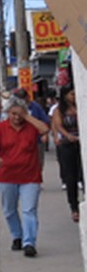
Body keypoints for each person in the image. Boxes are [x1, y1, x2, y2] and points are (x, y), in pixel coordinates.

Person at [0, 97, 50, 257]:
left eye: (19, 114)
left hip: (30, 175)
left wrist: (27, 116)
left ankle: (29, 243)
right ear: (7, 113)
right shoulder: (0, 128)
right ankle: (17, 236)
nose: (16, 117)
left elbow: (44, 129)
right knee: (9, 210)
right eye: (13, 113)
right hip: (7, 175)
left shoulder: (31, 127)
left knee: (29, 210)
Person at [51, 86, 81, 223]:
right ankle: (74, 207)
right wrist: (67, 136)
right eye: (71, 94)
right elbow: (58, 126)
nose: (74, 97)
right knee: (71, 177)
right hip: (68, 144)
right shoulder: (59, 110)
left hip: (82, 143)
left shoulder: (81, 106)